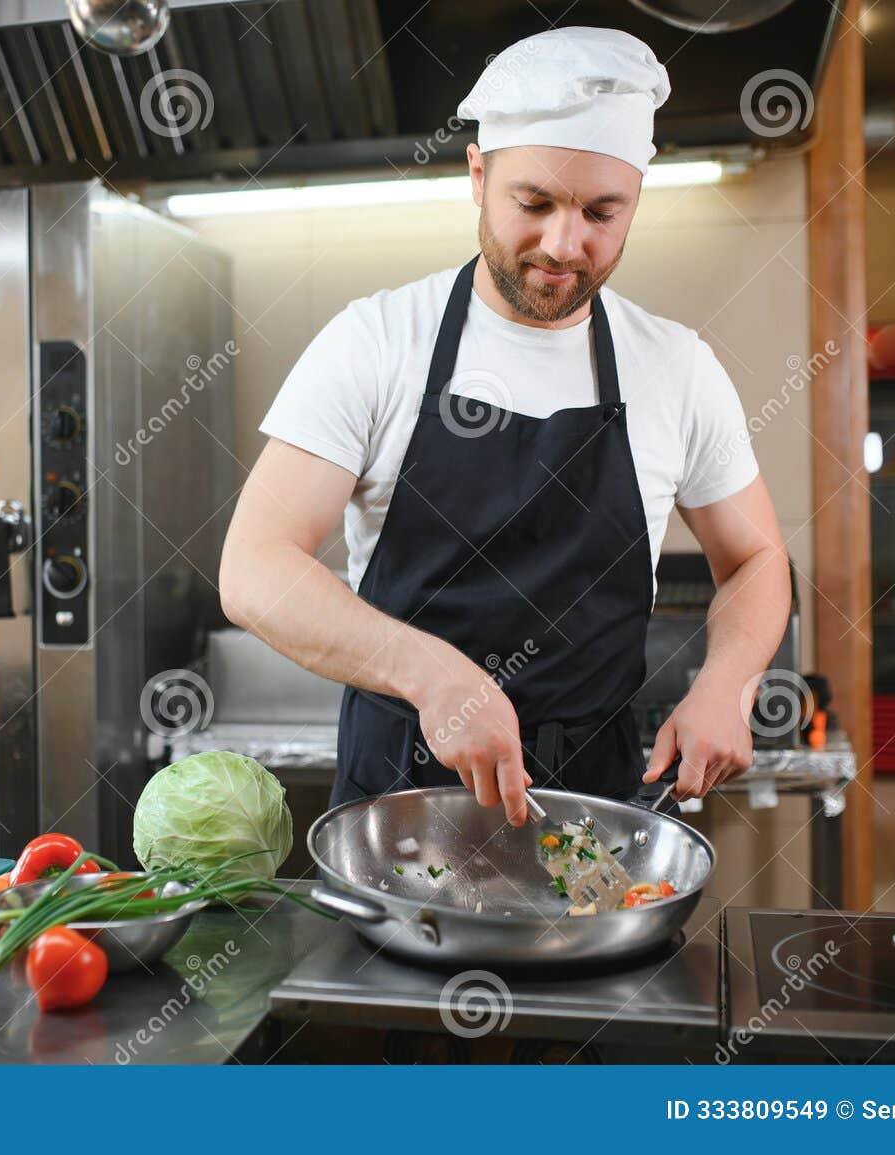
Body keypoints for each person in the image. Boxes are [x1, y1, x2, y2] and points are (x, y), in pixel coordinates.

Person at [219, 26, 791, 827]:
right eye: (535, 203)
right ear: (478, 176)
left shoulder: (676, 366)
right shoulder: (376, 341)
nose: (563, 244)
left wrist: (728, 683)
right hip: (399, 817)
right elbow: (253, 568)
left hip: (594, 819)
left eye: (601, 212)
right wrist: (430, 674)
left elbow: (758, 557)